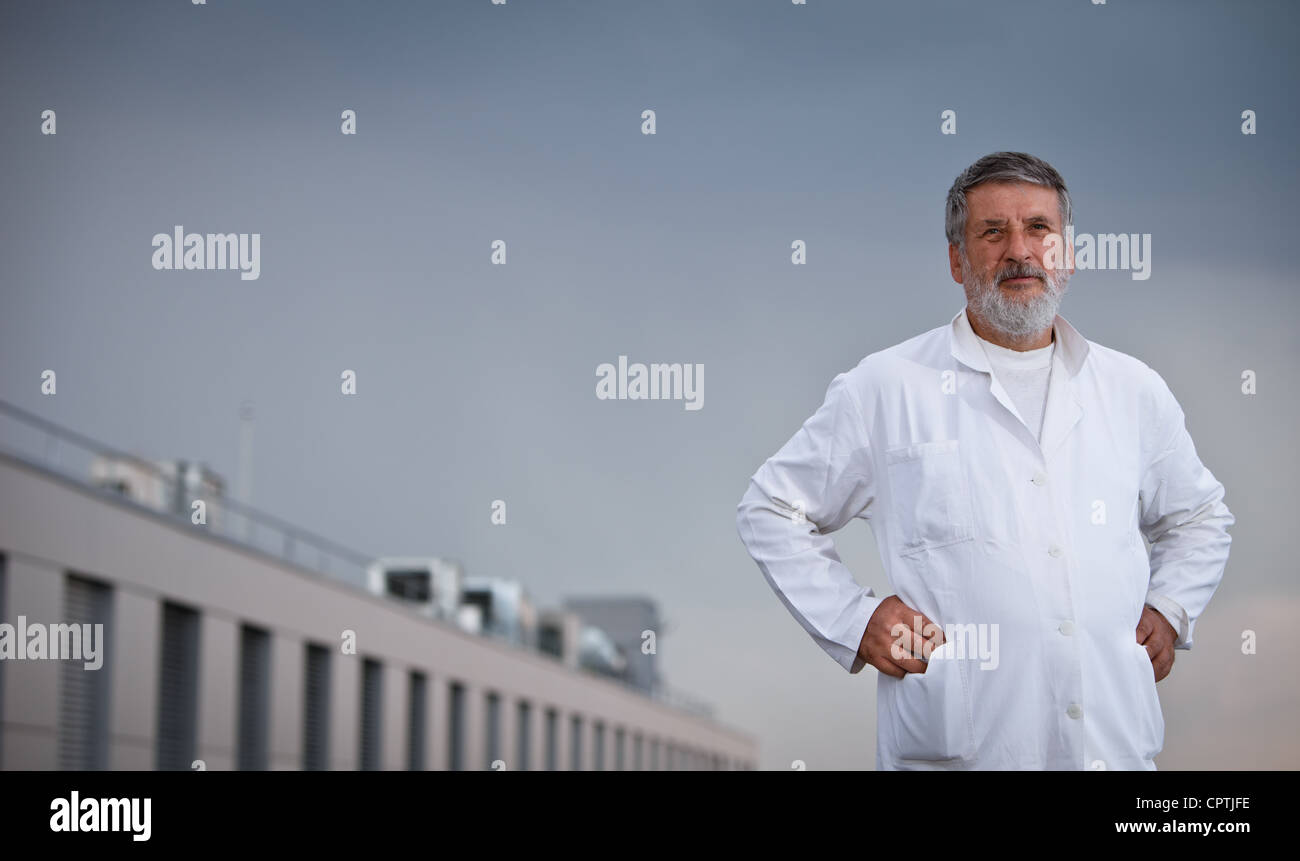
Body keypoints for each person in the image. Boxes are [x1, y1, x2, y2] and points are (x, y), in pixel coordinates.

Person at [735, 151, 1234, 770]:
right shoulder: (889, 387)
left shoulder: (1133, 390)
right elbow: (771, 507)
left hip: (1112, 751)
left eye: (1039, 229)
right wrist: (855, 618)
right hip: (962, 749)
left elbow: (1199, 517)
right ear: (956, 260)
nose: (1019, 251)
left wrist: (1171, 607)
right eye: (992, 232)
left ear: (1067, 254)